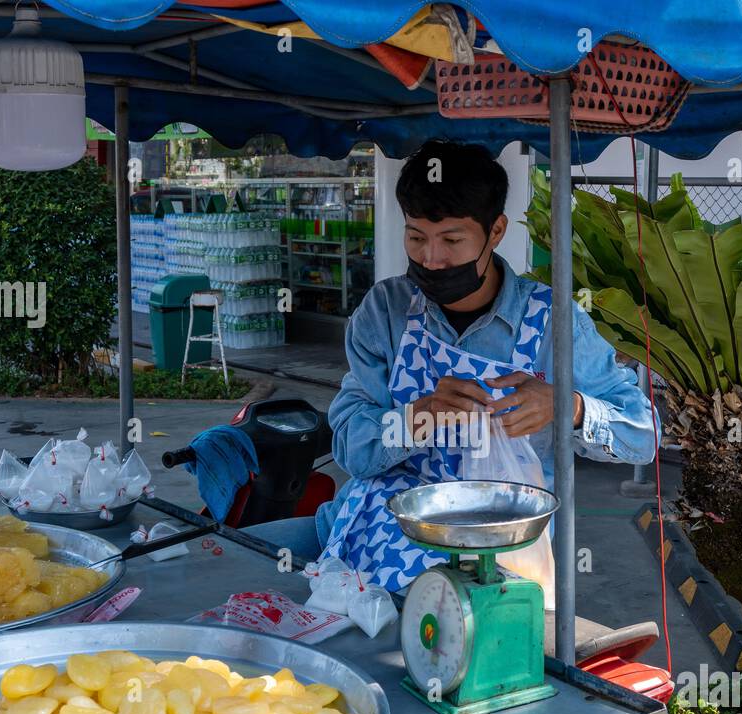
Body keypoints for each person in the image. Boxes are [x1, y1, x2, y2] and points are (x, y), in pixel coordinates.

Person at [248, 139, 659, 588]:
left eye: (452, 239)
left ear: (496, 231)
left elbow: (644, 435)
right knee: (234, 566)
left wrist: (572, 408)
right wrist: (416, 418)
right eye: (416, 236)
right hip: (370, 527)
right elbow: (351, 449)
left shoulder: (554, 322)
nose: (431, 258)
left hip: (497, 559)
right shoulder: (385, 311)